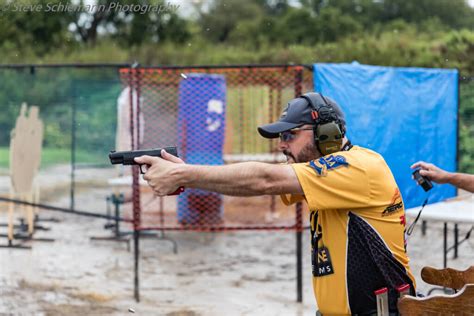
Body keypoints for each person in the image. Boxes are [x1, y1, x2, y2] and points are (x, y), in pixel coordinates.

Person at [135, 92, 416, 315]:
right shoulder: (329, 174)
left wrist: (184, 174)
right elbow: (249, 183)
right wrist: (187, 172)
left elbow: (265, 179)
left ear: (326, 133)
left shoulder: (358, 167)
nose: (282, 144)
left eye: (289, 135)